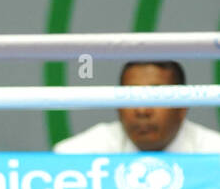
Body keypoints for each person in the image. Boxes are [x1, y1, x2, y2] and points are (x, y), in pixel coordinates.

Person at [53, 61, 220, 153]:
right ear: (117, 106)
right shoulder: (79, 155)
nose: (142, 110)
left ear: (183, 107)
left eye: (157, 97)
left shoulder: (214, 153)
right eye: (131, 96)